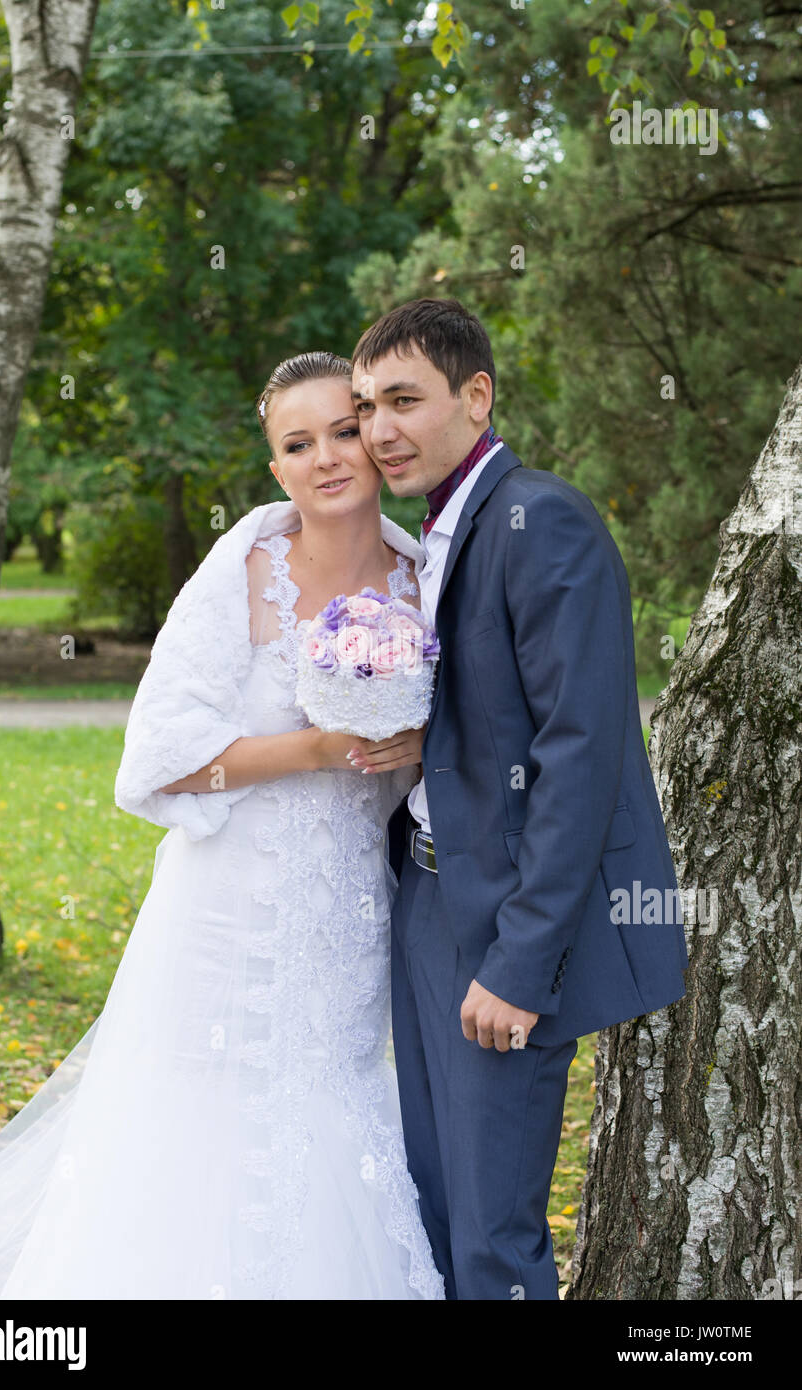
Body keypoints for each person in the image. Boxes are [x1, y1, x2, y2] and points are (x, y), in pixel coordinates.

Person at [0, 351, 444, 1301]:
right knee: (205, 1108)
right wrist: (316, 748)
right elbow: (157, 760)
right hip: (223, 906)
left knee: (328, 1102)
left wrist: (410, 740)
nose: (326, 457)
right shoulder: (245, 569)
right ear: (277, 468)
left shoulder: (426, 575)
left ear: (377, 436)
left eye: (343, 430)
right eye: (298, 444)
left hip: (347, 913)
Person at [350, 298, 689, 1301]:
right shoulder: (437, 531)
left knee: (495, 1240)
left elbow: (584, 753)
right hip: (424, 900)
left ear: (476, 396)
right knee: (435, 1210)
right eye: (367, 405)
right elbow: (490, 710)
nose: (378, 430)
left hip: (503, 931)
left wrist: (522, 963)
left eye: (404, 400)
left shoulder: (547, 519)